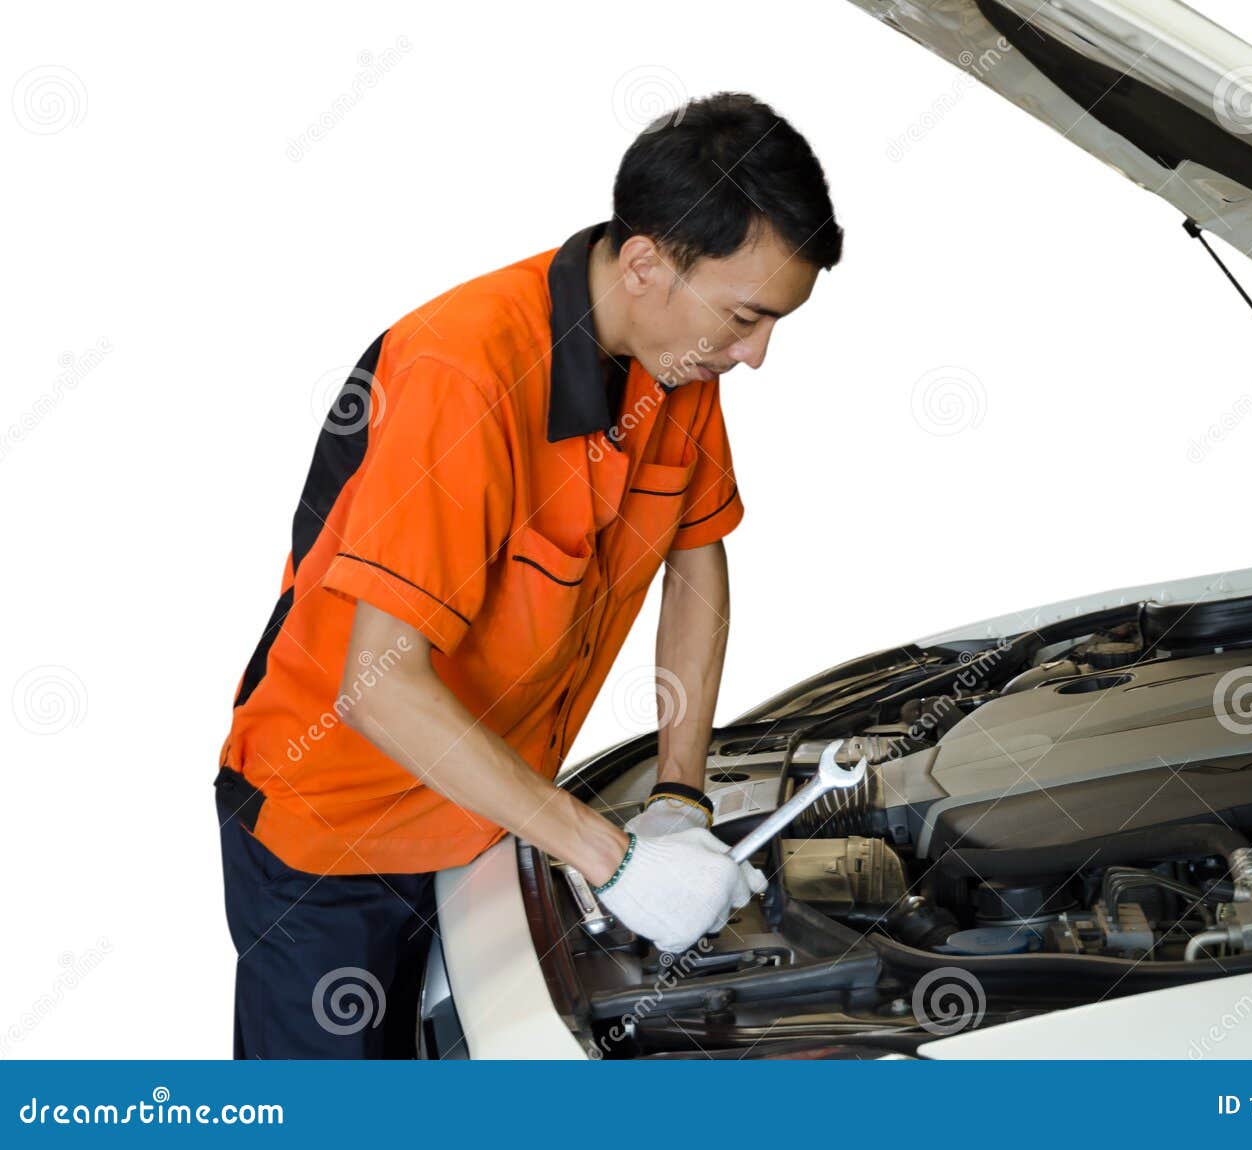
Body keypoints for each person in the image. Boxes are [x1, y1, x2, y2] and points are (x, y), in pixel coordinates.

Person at [213, 91, 844, 1058]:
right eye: (746, 318)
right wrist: (612, 857)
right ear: (645, 262)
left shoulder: (676, 360)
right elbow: (380, 690)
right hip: (333, 840)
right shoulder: (462, 377)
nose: (755, 356)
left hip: (493, 807)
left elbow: (696, 558)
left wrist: (679, 796)